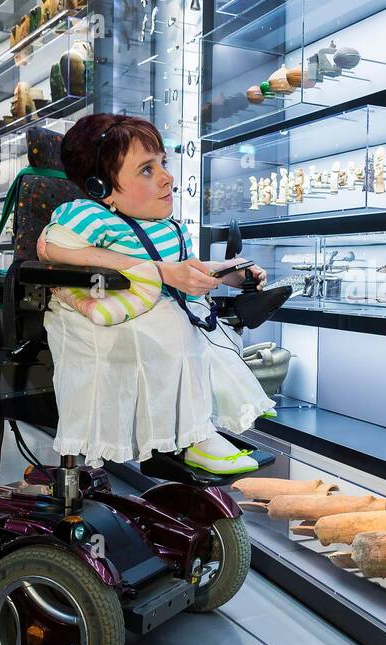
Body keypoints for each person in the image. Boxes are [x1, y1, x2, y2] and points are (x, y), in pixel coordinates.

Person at [37, 113, 274, 473]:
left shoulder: (170, 228)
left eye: (163, 163)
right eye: (147, 170)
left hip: (158, 308)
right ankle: (192, 437)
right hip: (108, 314)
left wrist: (229, 274)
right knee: (172, 327)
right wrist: (157, 271)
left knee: (206, 328)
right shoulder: (88, 215)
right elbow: (51, 248)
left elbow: (186, 270)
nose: (168, 177)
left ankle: (222, 412)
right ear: (101, 187)